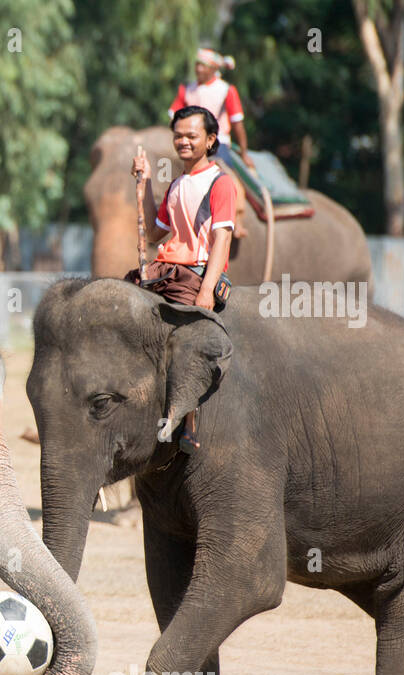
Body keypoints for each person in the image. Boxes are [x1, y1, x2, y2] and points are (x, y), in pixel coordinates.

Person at [130, 105, 235, 453]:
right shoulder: (177, 184)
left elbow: (222, 238)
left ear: (210, 139)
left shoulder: (220, 183)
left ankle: (186, 420)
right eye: (178, 135)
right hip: (165, 270)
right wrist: (144, 181)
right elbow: (154, 235)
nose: (184, 141)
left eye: (192, 135)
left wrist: (206, 290)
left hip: (193, 275)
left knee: (183, 344)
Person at [169, 47, 253, 237]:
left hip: (218, 142)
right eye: (197, 65)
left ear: (213, 69)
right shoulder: (187, 90)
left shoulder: (226, 90)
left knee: (227, 174)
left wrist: (244, 152)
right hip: (189, 142)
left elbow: (237, 123)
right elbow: (173, 116)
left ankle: (237, 219)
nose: (198, 69)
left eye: (203, 66)